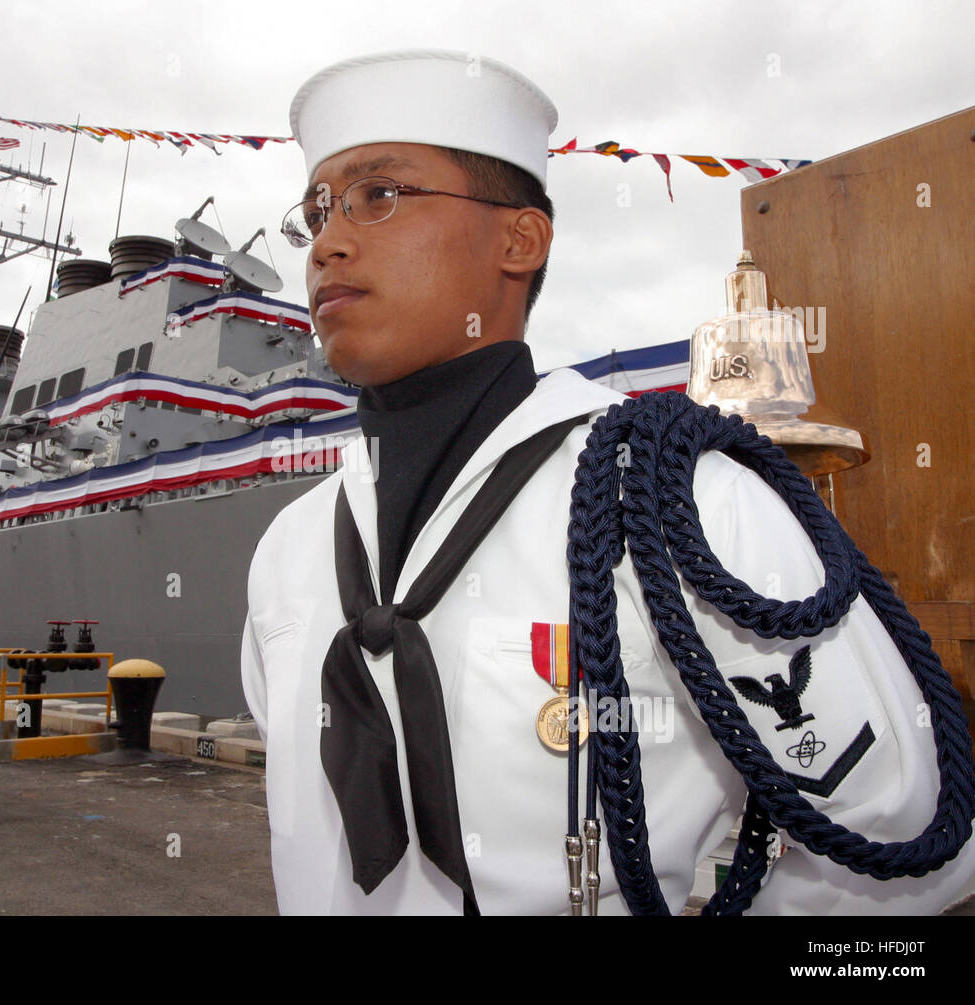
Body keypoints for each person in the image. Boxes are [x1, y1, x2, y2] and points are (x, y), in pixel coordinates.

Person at [240, 49, 975, 915]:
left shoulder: (675, 504)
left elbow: (909, 837)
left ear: (521, 239)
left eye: (379, 194)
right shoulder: (290, 551)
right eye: (317, 210)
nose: (328, 241)